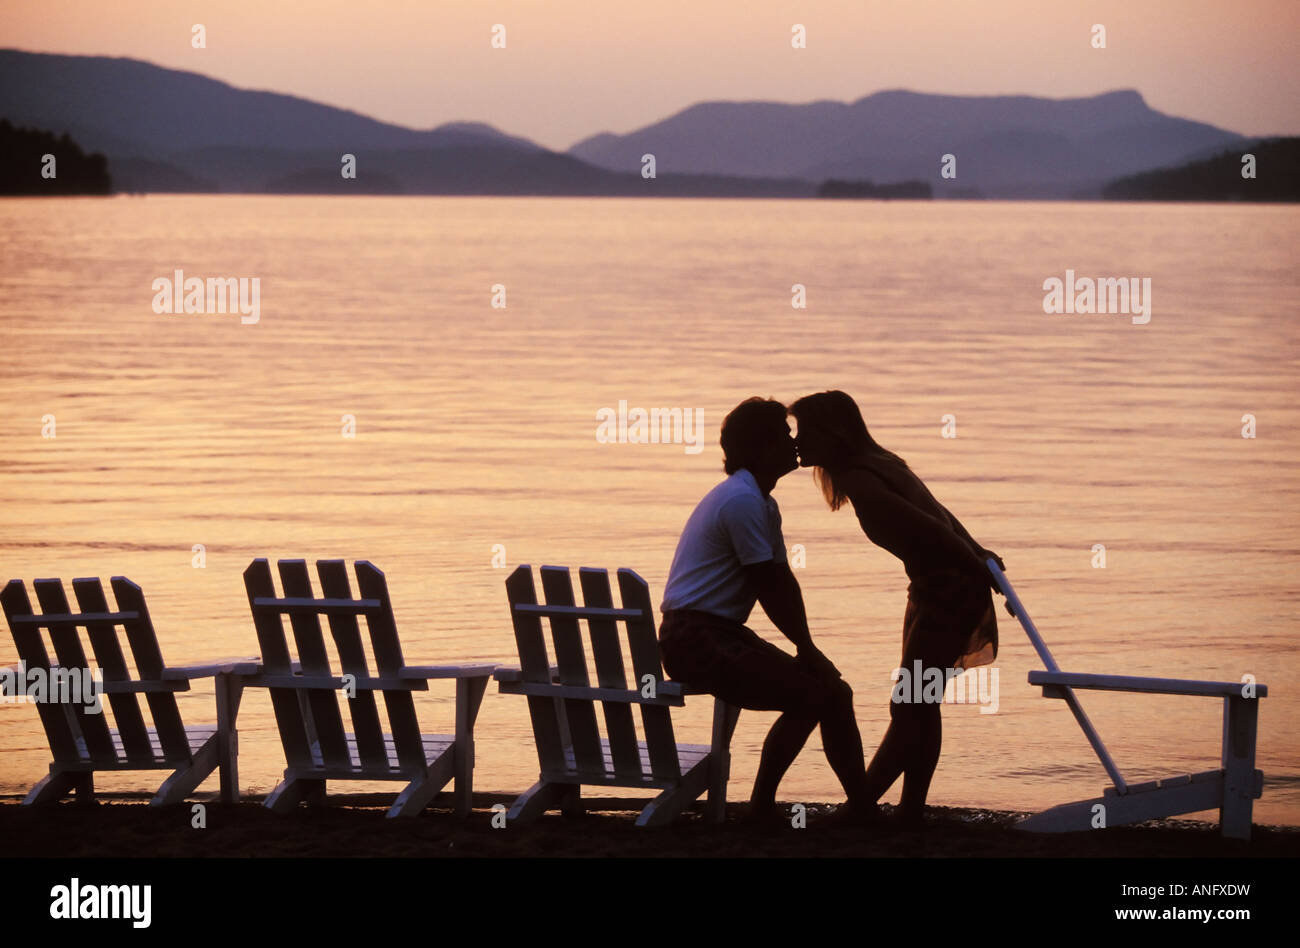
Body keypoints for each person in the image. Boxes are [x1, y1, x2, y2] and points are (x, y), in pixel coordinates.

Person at [788, 390, 1002, 828]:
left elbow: (931, 525)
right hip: (934, 589)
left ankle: (861, 806)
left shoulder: (862, 478)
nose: (796, 441)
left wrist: (977, 563)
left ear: (831, 433)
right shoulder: (881, 463)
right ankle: (909, 812)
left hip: (948, 592)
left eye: (803, 431)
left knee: (909, 705)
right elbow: (943, 515)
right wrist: (979, 555)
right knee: (921, 703)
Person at [658, 396, 877, 823]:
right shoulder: (741, 501)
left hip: (714, 634)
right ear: (759, 448)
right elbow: (769, 587)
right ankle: (765, 806)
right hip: (695, 639)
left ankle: (857, 806)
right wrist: (807, 650)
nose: (793, 442)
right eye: (782, 436)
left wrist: (807, 648)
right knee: (816, 695)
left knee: (833, 693)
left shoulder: (759, 502)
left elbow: (782, 582)